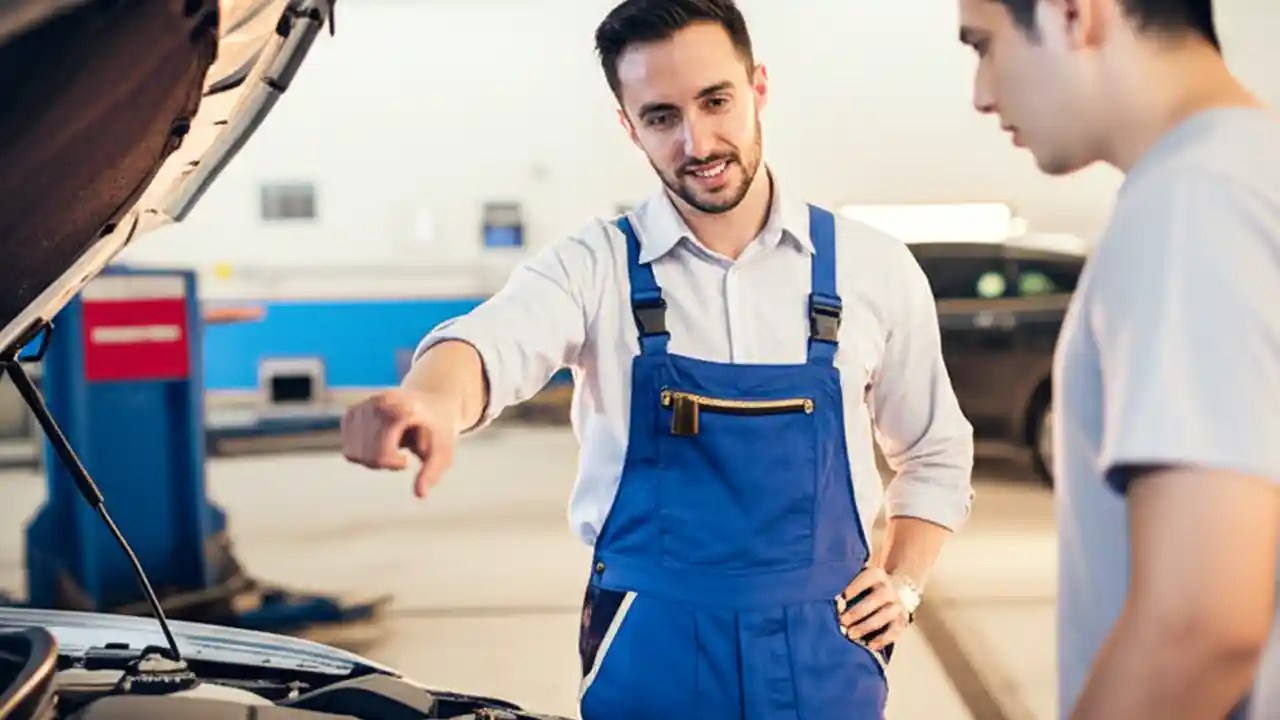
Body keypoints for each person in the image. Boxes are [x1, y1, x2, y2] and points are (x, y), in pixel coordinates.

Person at [343, 0, 974, 716]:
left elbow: (935, 450)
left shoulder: (873, 268)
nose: (697, 142)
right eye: (662, 117)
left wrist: (904, 581)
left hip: (824, 650)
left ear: (757, 87)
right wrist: (429, 399)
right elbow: (490, 340)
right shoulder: (594, 267)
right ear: (629, 125)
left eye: (716, 101)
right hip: (652, 646)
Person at [956, 1, 1280, 718]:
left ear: (1074, 14)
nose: (980, 92)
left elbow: (1199, 624)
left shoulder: (1193, 201)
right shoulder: (1251, 170)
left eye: (984, 45)